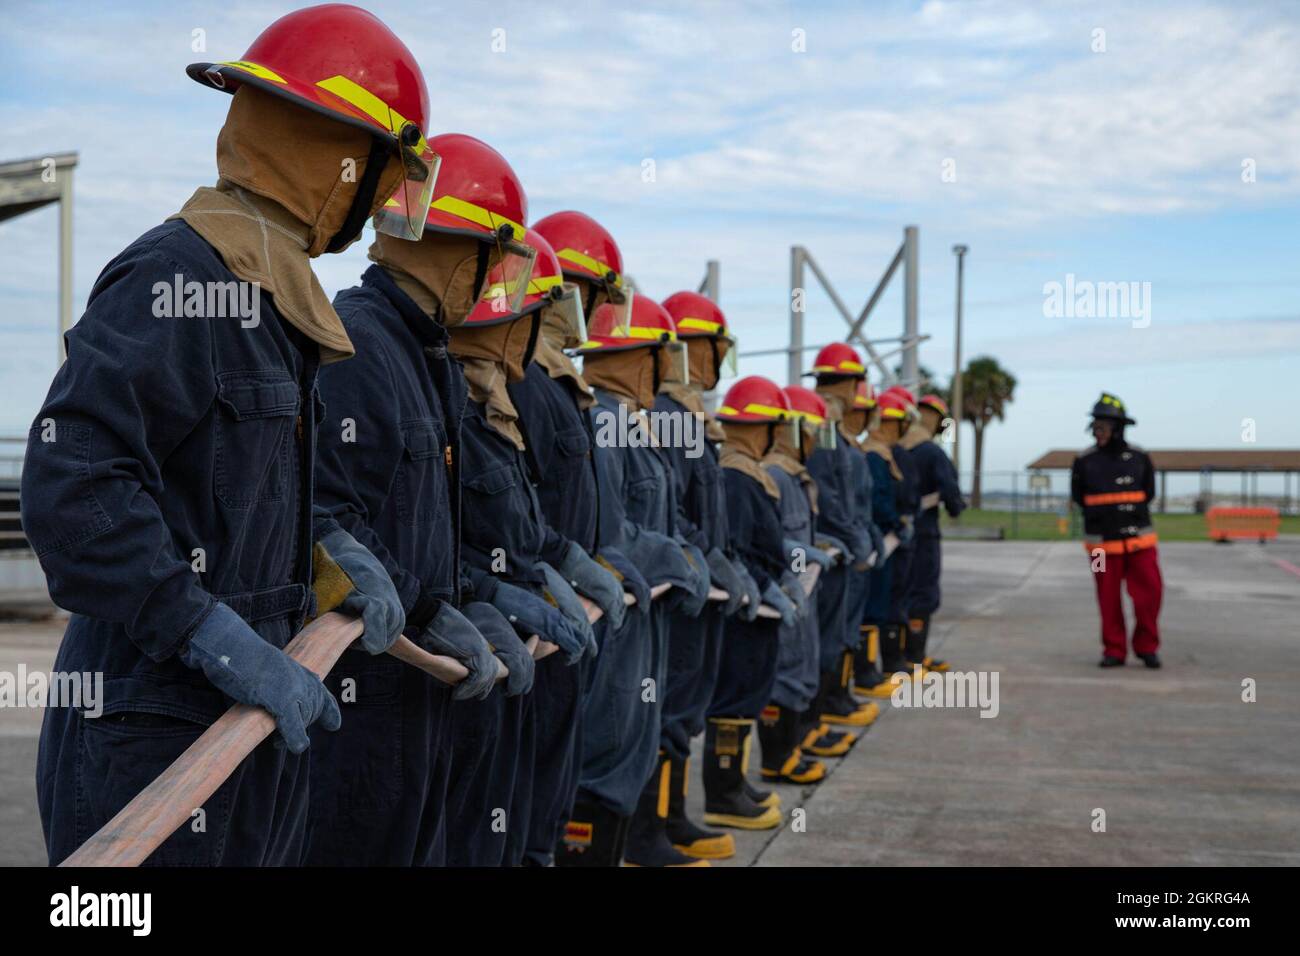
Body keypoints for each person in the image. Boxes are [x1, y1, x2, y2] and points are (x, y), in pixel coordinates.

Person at [22, 4, 427, 865]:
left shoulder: (270, 302)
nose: (379, 204)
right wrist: (205, 631)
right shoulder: (178, 275)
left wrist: (322, 558)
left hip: (238, 727)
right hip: (149, 731)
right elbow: (74, 485)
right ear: (335, 161)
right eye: (380, 176)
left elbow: (219, 500)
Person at [304, 132, 556, 866]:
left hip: (419, 702)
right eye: (491, 260)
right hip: (361, 708)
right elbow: (322, 523)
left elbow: (431, 538)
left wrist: (474, 596)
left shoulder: (428, 362)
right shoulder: (356, 345)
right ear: (462, 249)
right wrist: (422, 609)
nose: (489, 288)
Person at [516, 211, 649, 866]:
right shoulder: (529, 383)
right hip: (530, 638)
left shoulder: (561, 387)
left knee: (548, 794)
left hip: (559, 634)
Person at [558, 296, 710, 867]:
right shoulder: (604, 423)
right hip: (616, 627)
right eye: (656, 355)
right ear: (630, 358)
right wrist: (680, 559)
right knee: (606, 748)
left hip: (647, 623)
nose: (665, 371)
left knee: (637, 742)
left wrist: (686, 557)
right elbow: (609, 532)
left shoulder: (634, 425)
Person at [653, 291, 753, 859]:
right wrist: (705, 558)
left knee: (686, 708)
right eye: (717, 347)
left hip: (702, 592)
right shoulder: (670, 418)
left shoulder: (690, 416)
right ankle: (656, 827)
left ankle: (672, 817)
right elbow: (672, 515)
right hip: (682, 597)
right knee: (670, 710)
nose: (719, 360)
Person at [702, 376, 801, 831]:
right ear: (755, 428)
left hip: (759, 612)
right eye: (771, 427)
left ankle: (736, 782)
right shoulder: (737, 476)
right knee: (734, 699)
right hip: (745, 614)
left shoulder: (750, 473)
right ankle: (723, 794)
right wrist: (768, 583)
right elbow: (739, 549)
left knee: (749, 697)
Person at [806, 345, 879, 727]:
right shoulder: (824, 424)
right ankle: (816, 719)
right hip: (828, 549)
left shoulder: (826, 421)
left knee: (835, 633)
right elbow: (828, 492)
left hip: (836, 546)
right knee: (823, 638)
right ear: (851, 383)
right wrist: (854, 539)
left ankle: (825, 710)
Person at [1071, 393, 1163, 668]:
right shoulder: (1084, 461)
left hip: (1140, 542)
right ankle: (1114, 649)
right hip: (1100, 546)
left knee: (1151, 593)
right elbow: (1078, 496)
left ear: (1118, 427)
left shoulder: (1139, 457)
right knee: (1107, 598)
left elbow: (1148, 493)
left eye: (1102, 428)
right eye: (1095, 428)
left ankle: (1147, 646)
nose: (1097, 433)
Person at [899, 394, 965, 672]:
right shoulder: (932, 452)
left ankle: (896, 656)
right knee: (923, 593)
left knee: (898, 591)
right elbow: (950, 491)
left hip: (895, 532)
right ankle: (915, 656)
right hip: (924, 531)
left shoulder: (896, 448)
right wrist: (955, 507)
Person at [857, 390, 914, 696]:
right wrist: (895, 522)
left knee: (883, 599)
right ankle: (865, 672)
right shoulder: (875, 455)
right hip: (877, 541)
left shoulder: (882, 453)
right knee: (873, 604)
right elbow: (877, 499)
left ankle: (872, 668)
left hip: (882, 540)